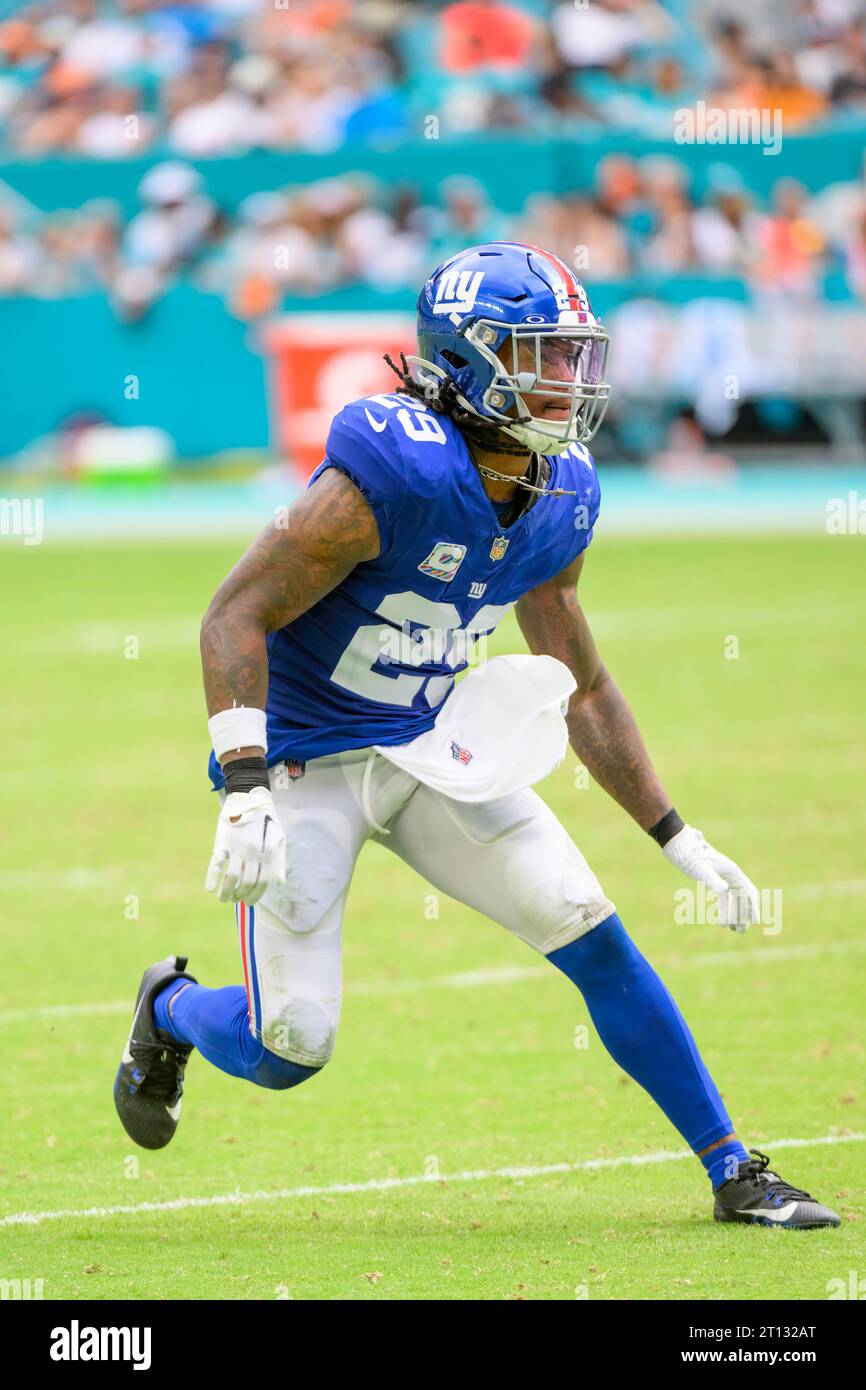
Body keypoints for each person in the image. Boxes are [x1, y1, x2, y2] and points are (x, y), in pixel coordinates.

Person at [114, 241, 839, 1228]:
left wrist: (675, 833)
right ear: (468, 361)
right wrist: (243, 779)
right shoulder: (394, 468)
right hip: (305, 762)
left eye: (572, 356)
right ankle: (169, 1010)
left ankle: (732, 1168)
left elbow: (581, 686)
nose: (568, 382)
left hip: (426, 746)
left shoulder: (561, 490)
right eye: (541, 356)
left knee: (584, 921)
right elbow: (230, 616)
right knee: (290, 1045)